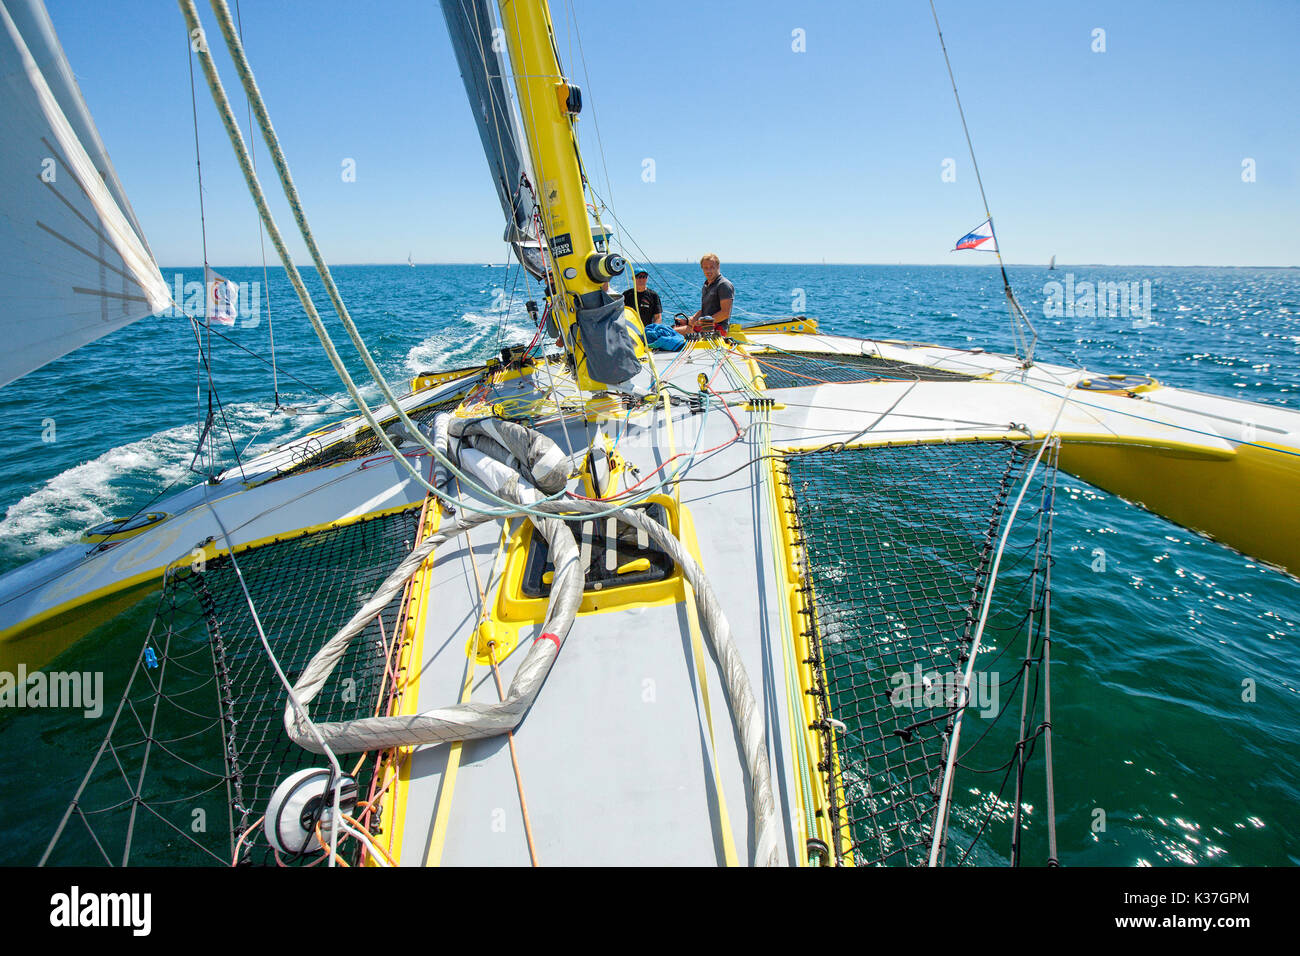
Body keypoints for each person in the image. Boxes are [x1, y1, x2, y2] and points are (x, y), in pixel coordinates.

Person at [675, 253, 733, 335]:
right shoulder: (706, 285)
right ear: (702, 268)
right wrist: (692, 319)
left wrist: (701, 323)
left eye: (712, 267)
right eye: (706, 268)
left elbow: (725, 313)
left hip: (717, 331)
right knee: (673, 328)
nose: (709, 271)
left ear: (718, 266)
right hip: (703, 327)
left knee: (672, 332)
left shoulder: (724, 285)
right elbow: (705, 310)